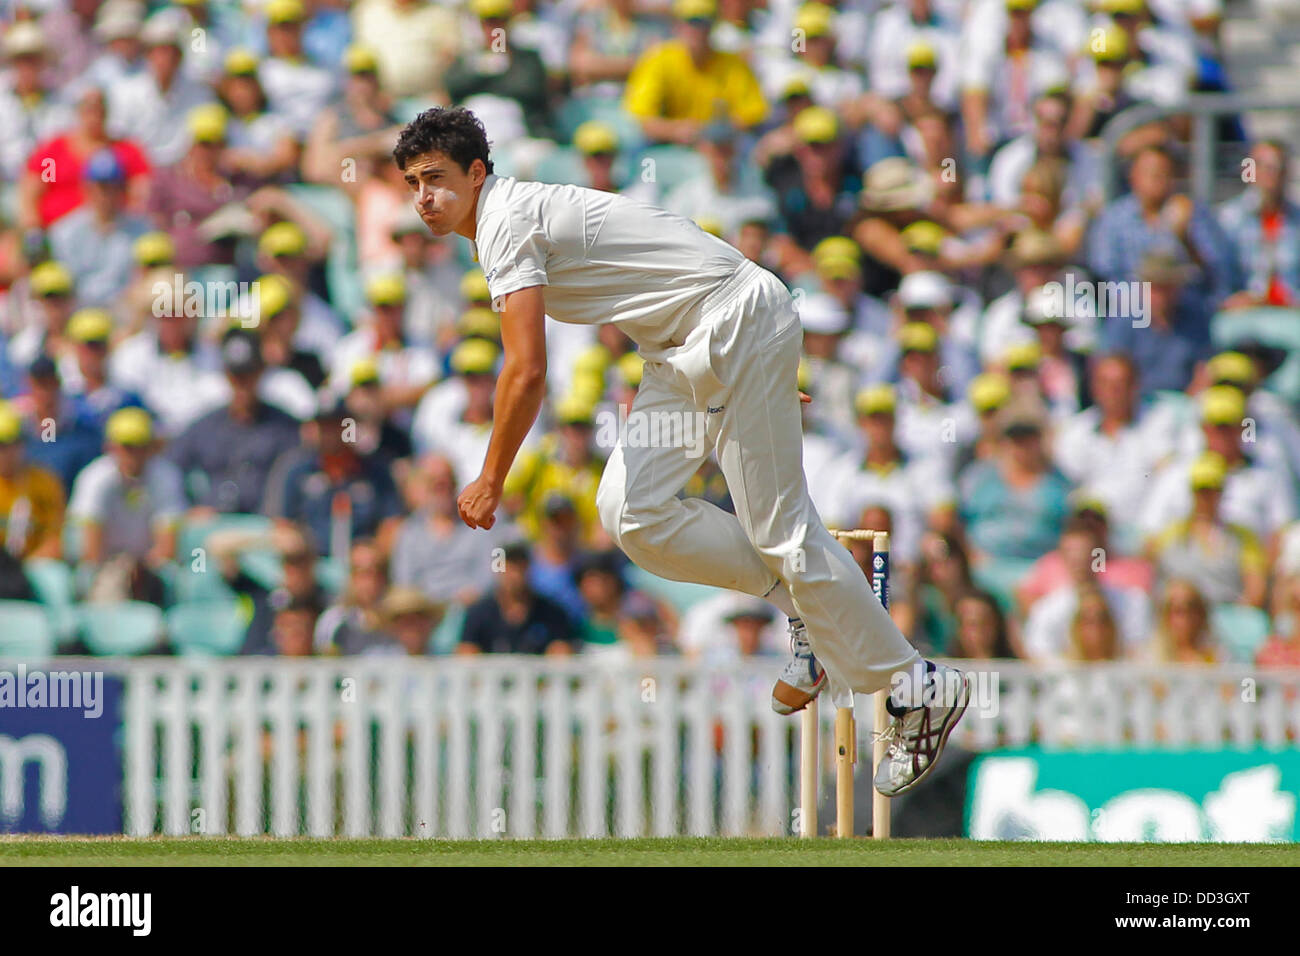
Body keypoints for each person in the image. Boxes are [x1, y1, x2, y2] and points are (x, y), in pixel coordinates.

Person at [393, 105, 968, 797]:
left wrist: (491, 476)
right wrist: (762, 373)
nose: (423, 197)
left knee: (781, 532)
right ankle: (810, 612)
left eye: (436, 178)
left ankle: (916, 685)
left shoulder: (506, 219)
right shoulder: (513, 219)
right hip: (686, 353)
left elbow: (526, 370)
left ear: (478, 172)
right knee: (629, 513)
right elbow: (670, 251)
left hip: (727, 325)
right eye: (412, 183)